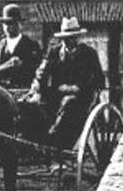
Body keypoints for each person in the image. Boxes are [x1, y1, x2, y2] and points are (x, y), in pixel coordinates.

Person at [27, 17, 105, 149]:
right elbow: (42, 72)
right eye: (67, 38)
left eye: (73, 38)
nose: (70, 41)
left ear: (78, 38)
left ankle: (55, 139)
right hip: (56, 97)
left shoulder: (89, 54)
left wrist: (77, 88)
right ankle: (38, 142)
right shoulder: (54, 52)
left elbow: (99, 80)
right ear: (62, 39)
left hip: (82, 100)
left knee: (69, 102)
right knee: (32, 106)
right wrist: (38, 88)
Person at [0, 4, 42, 90]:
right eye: (5, 24)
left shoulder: (32, 47)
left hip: (23, 94)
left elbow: (39, 73)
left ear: (20, 24)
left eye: (11, 23)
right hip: (0, 95)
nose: (7, 27)